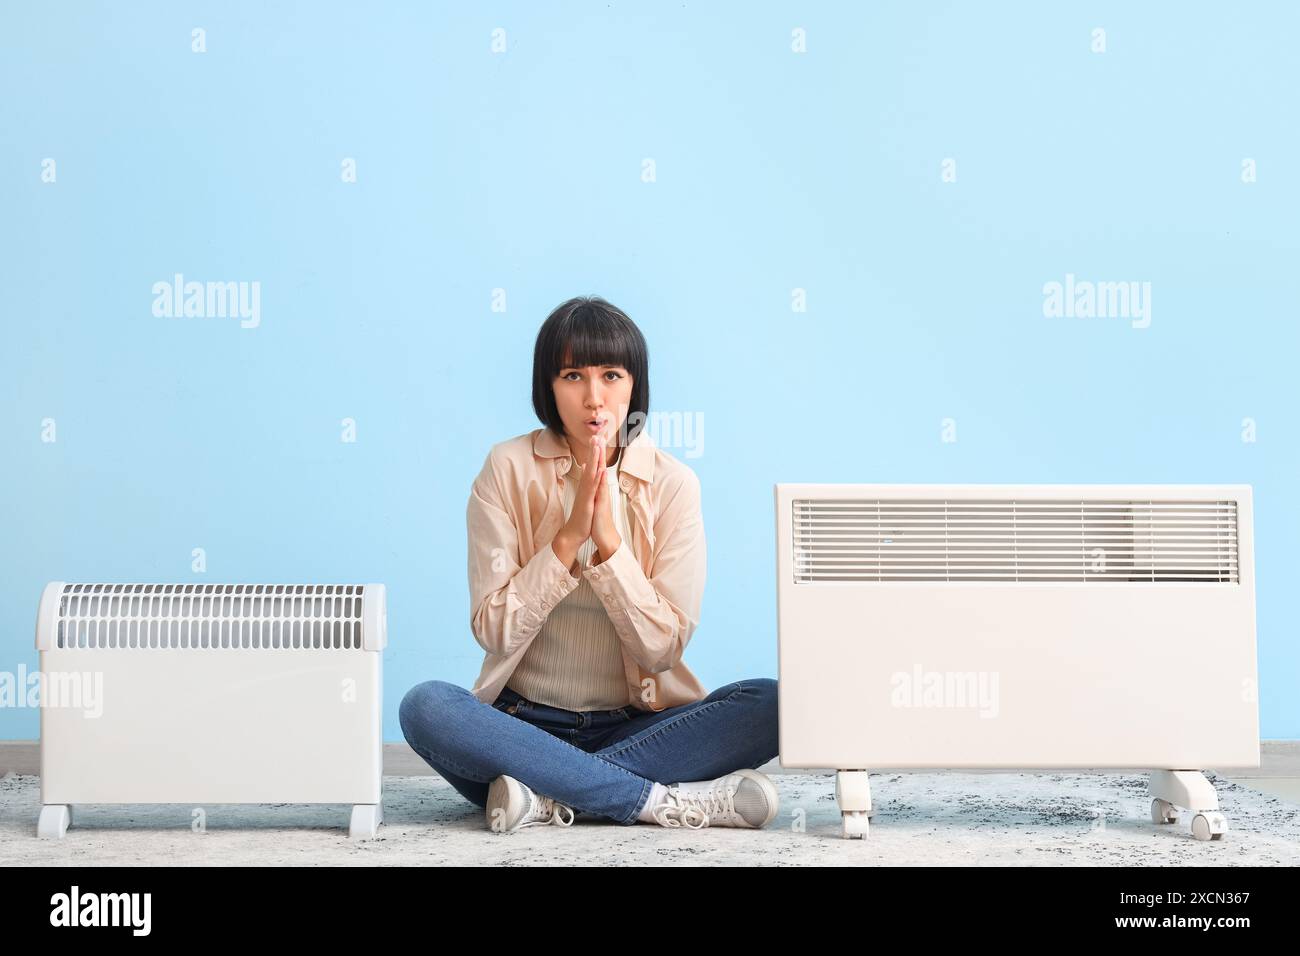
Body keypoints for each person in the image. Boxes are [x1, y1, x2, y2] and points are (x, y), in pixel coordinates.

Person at [399, 295, 779, 832]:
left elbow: (662, 647)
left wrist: (608, 546)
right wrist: (567, 538)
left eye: (611, 375)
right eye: (573, 375)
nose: (594, 398)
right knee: (427, 707)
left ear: (635, 386)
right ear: (548, 387)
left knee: (772, 702)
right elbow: (494, 631)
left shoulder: (673, 485)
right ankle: (654, 802)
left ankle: (548, 798)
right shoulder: (506, 468)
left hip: (638, 730)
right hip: (520, 727)